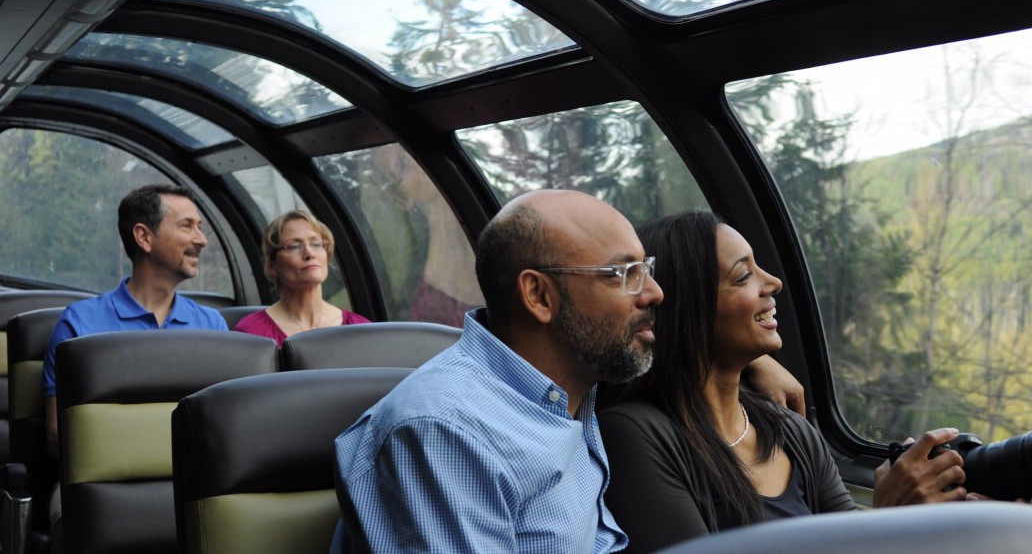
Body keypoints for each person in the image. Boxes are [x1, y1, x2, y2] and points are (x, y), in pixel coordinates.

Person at [330, 190, 802, 552]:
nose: (656, 293)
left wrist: (753, 361)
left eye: (648, 269)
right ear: (539, 296)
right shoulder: (445, 431)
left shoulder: (572, 388)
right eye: (626, 274)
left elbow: (679, 345)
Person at [597, 211, 968, 553]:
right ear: (687, 307)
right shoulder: (633, 434)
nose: (774, 283)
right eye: (744, 275)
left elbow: (849, 540)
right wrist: (888, 520)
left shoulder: (789, 429)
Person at [41, 183, 228, 550]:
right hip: (99, 485)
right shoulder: (80, 324)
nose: (202, 240)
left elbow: (227, 427)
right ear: (144, 236)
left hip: (193, 479)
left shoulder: (214, 326)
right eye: (188, 226)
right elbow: (58, 437)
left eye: (200, 227)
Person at [234, 210, 369, 346]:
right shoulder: (251, 333)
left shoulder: (360, 327)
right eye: (294, 246)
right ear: (271, 266)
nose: (309, 254)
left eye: (316, 244)